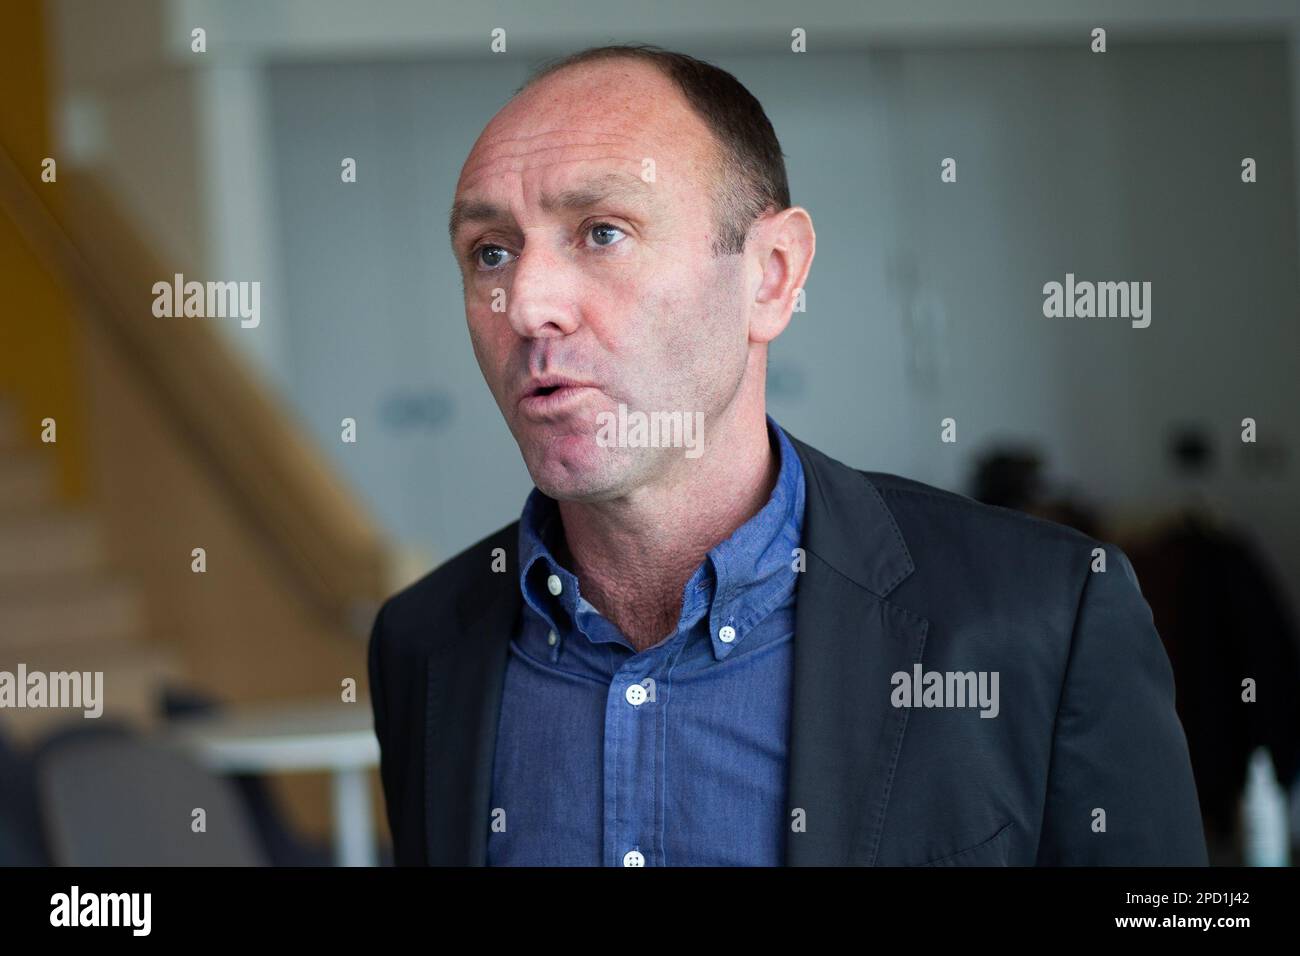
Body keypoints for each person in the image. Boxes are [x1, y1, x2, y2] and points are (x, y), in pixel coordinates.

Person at [367, 43, 1207, 866]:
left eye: (603, 232)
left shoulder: (1044, 616)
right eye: (492, 252)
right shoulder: (423, 647)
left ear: (770, 276)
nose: (528, 304)